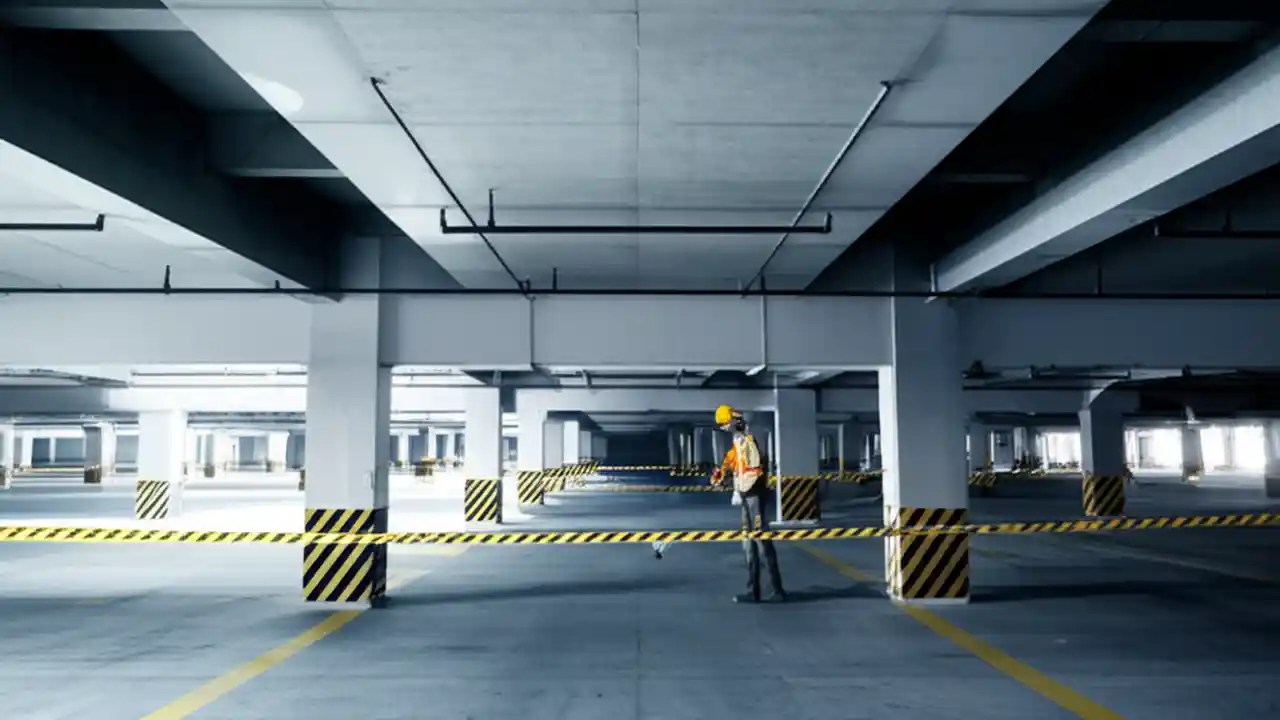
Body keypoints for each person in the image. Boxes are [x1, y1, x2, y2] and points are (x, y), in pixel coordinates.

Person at [711, 404, 787, 603]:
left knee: (762, 543)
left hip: (755, 497)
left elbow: (754, 470)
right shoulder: (737, 444)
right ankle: (754, 591)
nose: (725, 428)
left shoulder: (750, 441)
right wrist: (721, 476)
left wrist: (739, 489)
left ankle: (777, 590)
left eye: (726, 424)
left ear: (735, 421)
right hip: (746, 498)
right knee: (748, 545)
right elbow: (731, 465)